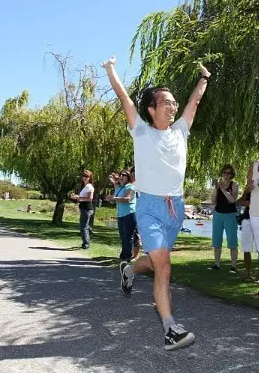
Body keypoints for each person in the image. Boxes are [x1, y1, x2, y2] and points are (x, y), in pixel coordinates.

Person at [102, 55, 210, 350]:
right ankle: (170, 328)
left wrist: (204, 78)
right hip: (148, 207)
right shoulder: (141, 131)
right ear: (151, 109)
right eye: (166, 102)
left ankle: (129, 269)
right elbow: (124, 97)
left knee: (153, 262)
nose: (173, 107)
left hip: (175, 209)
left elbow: (195, 103)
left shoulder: (181, 131)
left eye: (175, 103)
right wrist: (111, 69)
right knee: (164, 266)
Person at [210, 164, 238, 272]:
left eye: (228, 173)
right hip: (218, 214)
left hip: (230, 215)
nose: (225, 175)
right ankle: (217, 264)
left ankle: (233, 266)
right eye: (224, 173)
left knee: (232, 241)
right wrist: (217, 189)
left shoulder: (234, 185)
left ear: (231, 175)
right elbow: (213, 201)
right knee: (216, 240)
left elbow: (232, 200)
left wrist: (222, 188)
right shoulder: (218, 185)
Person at [106, 170, 137, 262]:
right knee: (123, 237)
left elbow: (127, 199)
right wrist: (110, 199)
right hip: (121, 215)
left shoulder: (130, 186)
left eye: (124, 175)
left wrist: (114, 198)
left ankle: (126, 257)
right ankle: (124, 256)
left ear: (128, 177)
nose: (121, 176)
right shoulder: (120, 187)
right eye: (120, 175)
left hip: (129, 214)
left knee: (128, 237)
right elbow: (114, 200)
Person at [237, 188, 259, 279]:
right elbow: (241, 202)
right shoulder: (251, 187)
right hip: (247, 219)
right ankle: (247, 273)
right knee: (246, 247)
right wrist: (246, 191)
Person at [70, 170, 95, 249]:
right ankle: (85, 242)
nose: (85, 178)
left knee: (84, 226)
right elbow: (81, 199)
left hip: (87, 208)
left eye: (87, 176)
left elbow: (90, 198)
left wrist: (79, 198)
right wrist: (75, 198)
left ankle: (86, 244)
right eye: (84, 176)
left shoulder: (89, 186)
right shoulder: (84, 186)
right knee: (83, 226)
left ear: (90, 178)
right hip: (83, 208)